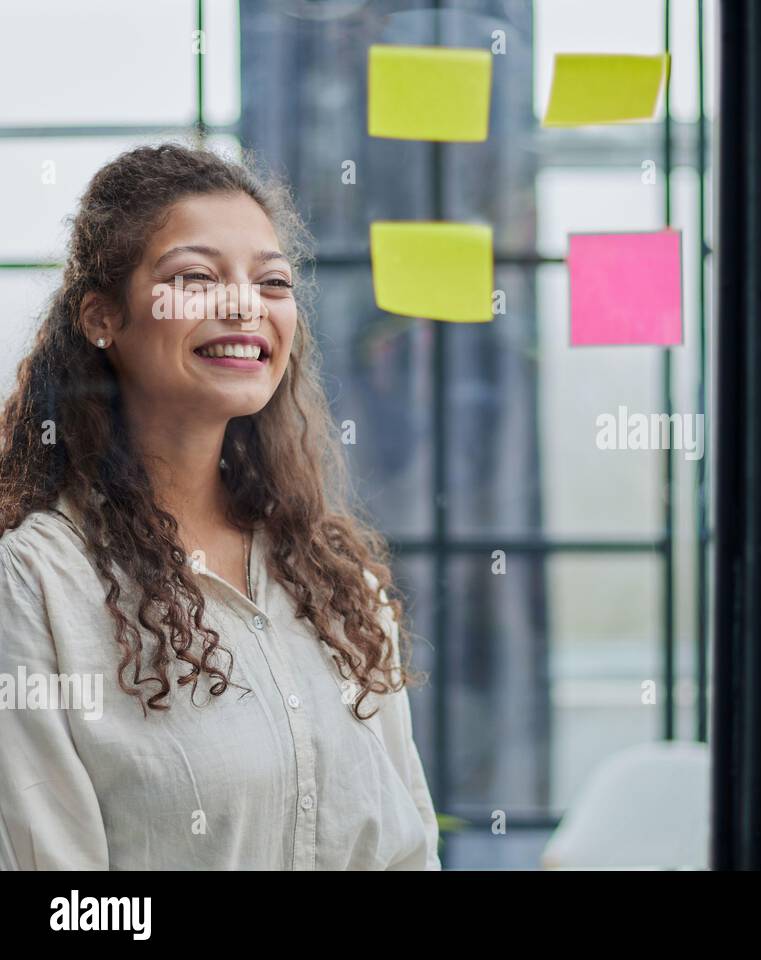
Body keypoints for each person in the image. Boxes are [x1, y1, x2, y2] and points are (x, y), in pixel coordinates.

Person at [0, 143, 440, 869]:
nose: (243, 304)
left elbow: (410, 848)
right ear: (101, 317)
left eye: (272, 281)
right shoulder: (38, 583)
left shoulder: (336, 580)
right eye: (195, 277)